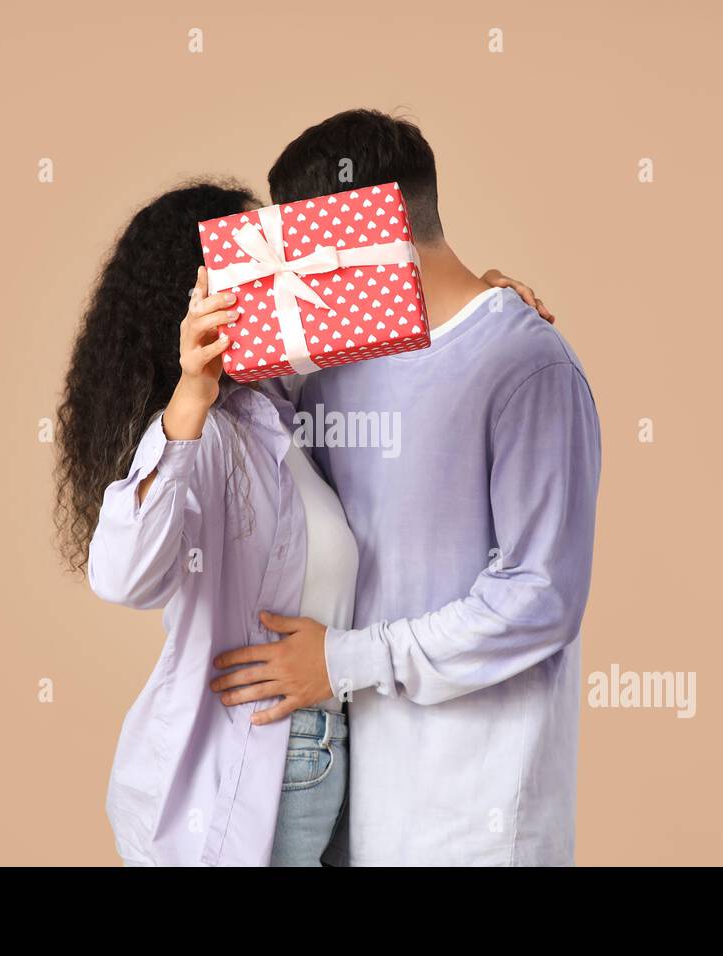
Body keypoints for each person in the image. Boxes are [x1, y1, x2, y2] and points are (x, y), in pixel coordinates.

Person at [54, 179, 545, 865]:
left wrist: (475, 304)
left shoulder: (280, 411)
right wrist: (191, 395)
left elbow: (384, 343)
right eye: (250, 271)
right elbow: (123, 574)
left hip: (320, 745)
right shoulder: (208, 437)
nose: (275, 284)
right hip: (253, 762)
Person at [209, 110, 602, 866]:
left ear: (357, 230)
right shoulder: (328, 369)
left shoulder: (528, 367)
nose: (294, 279)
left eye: (303, 252)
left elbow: (539, 597)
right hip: (351, 812)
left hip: (478, 821)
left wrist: (344, 660)